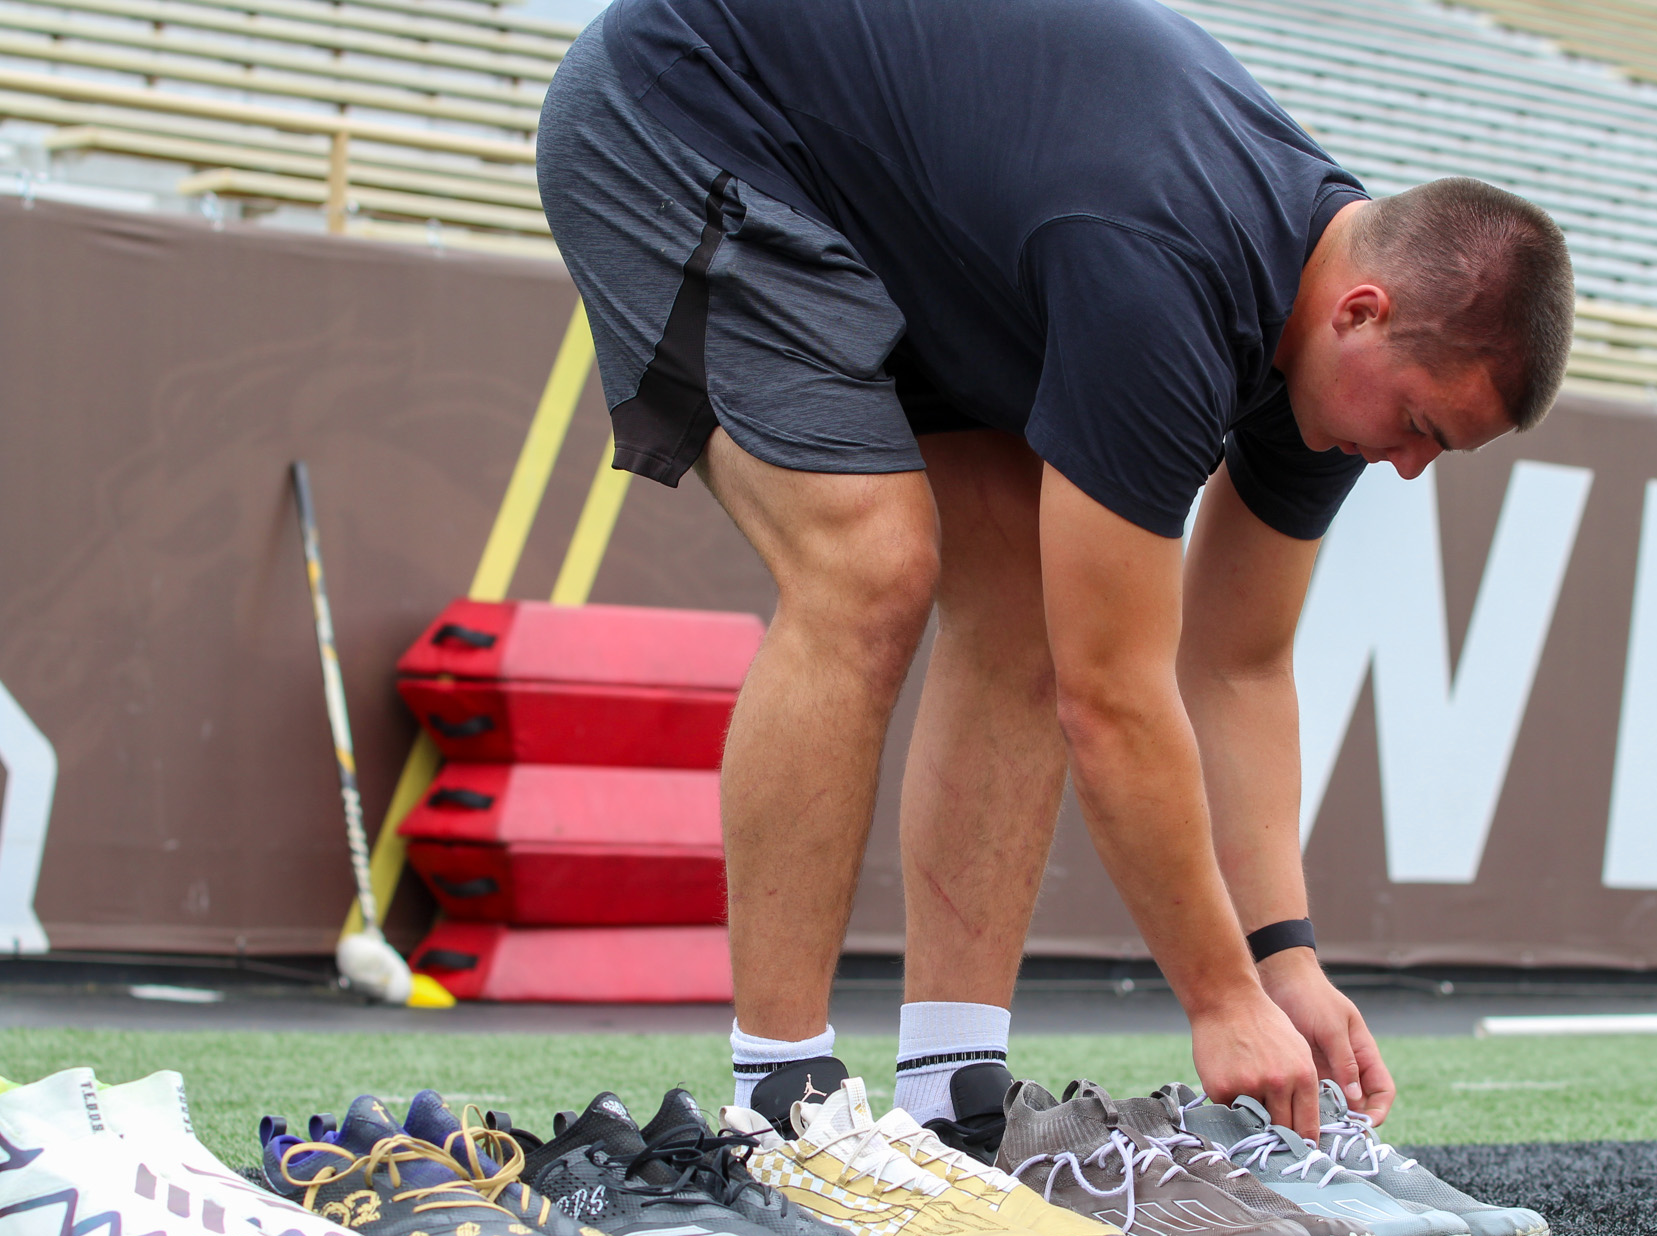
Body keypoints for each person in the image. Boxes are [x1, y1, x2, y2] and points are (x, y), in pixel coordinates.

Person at [536, 0, 1573, 1148]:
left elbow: (1235, 663)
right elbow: (1114, 703)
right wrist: (1219, 1000)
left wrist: (1282, 959)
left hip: (914, 207)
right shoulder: (1166, 278)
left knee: (1028, 605)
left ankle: (950, 1098)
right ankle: (780, 1105)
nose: (1411, 466)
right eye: (1421, 425)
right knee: (870, 569)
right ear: (1361, 315)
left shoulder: (1331, 357)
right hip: (691, 107)